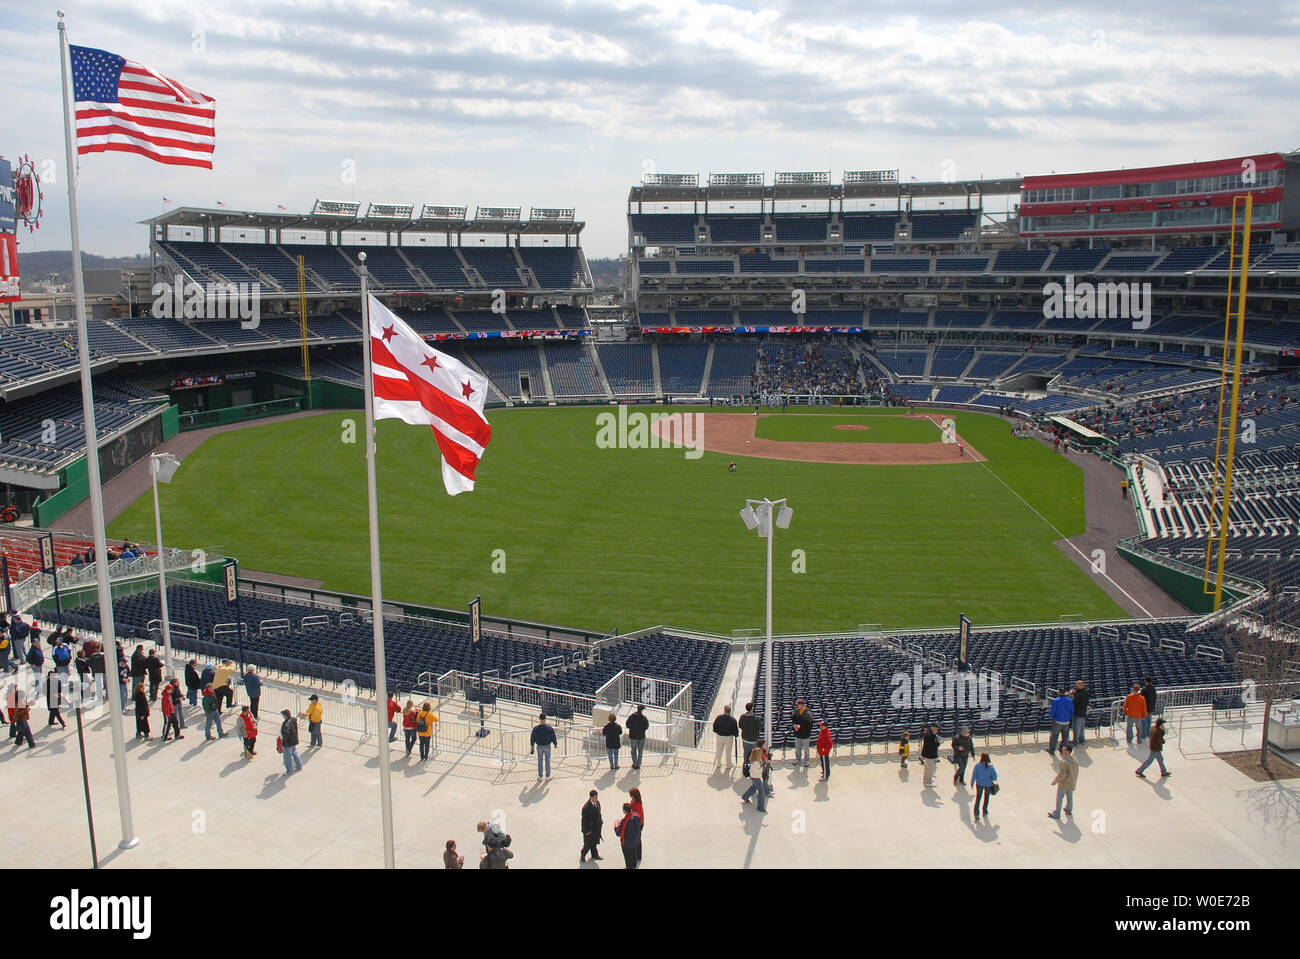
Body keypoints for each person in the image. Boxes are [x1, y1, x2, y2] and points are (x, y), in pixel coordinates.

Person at [1049, 743, 1079, 819]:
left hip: (1064, 783)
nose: (1062, 751)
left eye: (1064, 750)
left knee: (1059, 798)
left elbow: (1062, 774)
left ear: (1068, 751)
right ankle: (1068, 810)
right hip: (1072, 782)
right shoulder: (1075, 760)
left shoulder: (1065, 761)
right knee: (1070, 797)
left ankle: (1057, 813)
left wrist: (1055, 781)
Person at [614, 802, 643, 870]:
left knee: (628, 857)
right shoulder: (636, 815)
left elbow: (618, 833)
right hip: (635, 840)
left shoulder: (625, 821)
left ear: (624, 811)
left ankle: (629, 867)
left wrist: (615, 826)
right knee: (634, 854)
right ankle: (634, 865)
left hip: (627, 843)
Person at [741, 741, 768, 812]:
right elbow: (758, 771)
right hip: (756, 778)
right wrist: (763, 767)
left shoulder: (754, 761)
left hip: (754, 777)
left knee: (753, 788)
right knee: (761, 791)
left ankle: (745, 797)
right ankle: (760, 807)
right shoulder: (756, 763)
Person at [530, 712, 557, 780]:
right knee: (547, 761)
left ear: (540, 719)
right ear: (545, 719)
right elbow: (553, 736)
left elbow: (532, 738)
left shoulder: (535, 728)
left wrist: (532, 745)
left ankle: (540, 776)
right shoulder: (549, 728)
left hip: (539, 746)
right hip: (547, 746)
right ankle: (548, 776)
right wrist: (555, 744)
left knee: (540, 761)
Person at [712, 704, 739, 771]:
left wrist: (717, 732)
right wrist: (736, 735)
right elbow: (735, 729)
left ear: (724, 710)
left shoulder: (719, 717)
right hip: (729, 737)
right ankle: (728, 764)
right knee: (728, 751)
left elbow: (714, 726)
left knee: (719, 750)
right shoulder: (733, 719)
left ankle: (718, 763)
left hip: (720, 736)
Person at [1047, 689, 1074, 755]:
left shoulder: (1055, 701)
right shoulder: (1069, 701)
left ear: (1059, 692)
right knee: (1065, 737)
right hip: (1066, 721)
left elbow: (1053, 711)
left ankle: (1052, 750)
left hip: (1057, 721)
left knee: (1054, 736)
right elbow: (1072, 711)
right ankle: (1061, 748)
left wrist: (1052, 718)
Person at [972, 753, 997, 822]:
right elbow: (995, 777)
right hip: (988, 785)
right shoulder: (991, 766)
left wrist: (972, 783)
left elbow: (974, 775)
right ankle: (985, 811)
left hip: (979, 784)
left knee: (978, 798)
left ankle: (976, 814)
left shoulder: (977, 766)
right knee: (986, 798)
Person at [738, 702, 761, 777]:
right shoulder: (756, 718)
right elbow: (760, 727)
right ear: (752, 708)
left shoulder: (742, 717)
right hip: (754, 740)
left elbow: (740, 725)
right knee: (753, 754)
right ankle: (752, 768)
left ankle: (745, 766)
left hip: (745, 739)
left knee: (746, 753)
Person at [580, 789, 603, 863]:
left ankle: (594, 855)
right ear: (591, 798)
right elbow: (584, 821)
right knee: (588, 844)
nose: (597, 799)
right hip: (589, 830)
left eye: (597, 797)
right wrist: (585, 831)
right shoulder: (586, 808)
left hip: (596, 828)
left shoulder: (598, 803)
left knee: (595, 843)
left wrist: (601, 821)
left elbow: (599, 813)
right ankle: (583, 855)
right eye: (595, 798)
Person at [9, 685, 34, 750]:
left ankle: (18, 741)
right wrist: (27, 708)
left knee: (21, 731)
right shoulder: (17, 703)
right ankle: (32, 744)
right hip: (21, 718)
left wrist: (28, 705)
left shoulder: (20, 700)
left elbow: (24, 706)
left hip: (21, 718)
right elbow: (19, 712)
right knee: (27, 731)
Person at [791, 699, 814, 767]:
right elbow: (793, 719)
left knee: (806, 749)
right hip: (797, 734)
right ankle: (798, 760)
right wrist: (794, 725)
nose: (797, 706)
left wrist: (801, 727)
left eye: (798, 704)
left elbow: (810, 724)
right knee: (797, 749)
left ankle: (807, 761)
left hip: (805, 735)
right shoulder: (796, 711)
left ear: (802, 705)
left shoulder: (808, 713)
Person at [626, 704, 649, 769]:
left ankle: (635, 764)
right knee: (640, 751)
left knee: (633, 750)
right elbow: (646, 726)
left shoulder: (631, 717)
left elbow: (627, 725)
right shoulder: (644, 718)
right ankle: (638, 764)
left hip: (633, 736)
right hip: (641, 737)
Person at [280, 709, 302, 774]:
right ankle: (299, 765)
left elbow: (286, 734)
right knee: (294, 752)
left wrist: (284, 741)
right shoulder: (293, 719)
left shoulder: (285, 724)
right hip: (293, 740)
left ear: (285, 716)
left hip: (288, 743)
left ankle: (290, 770)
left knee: (287, 757)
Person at [628, 787, 645, 866]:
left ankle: (637, 856)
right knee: (638, 839)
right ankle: (638, 856)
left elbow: (636, 816)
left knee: (637, 840)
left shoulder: (637, 804)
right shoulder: (635, 801)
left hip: (637, 824)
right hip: (639, 823)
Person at [920, 723, 940, 787]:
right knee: (929, 768)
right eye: (936, 728)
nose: (937, 730)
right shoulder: (929, 735)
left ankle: (926, 779)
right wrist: (938, 743)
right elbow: (931, 745)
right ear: (932, 727)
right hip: (929, 754)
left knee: (927, 768)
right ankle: (928, 781)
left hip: (928, 754)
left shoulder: (930, 733)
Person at [1071, 680, 1090, 747]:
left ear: (1081, 685)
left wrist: (1073, 694)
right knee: (1081, 728)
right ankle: (1081, 740)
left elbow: (1076, 700)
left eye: (1077, 684)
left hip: (1078, 713)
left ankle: (1075, 741)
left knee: (1077, 728)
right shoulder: (1080, 692)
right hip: (1081, 712)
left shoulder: (1084, 693)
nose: (1076, 686)